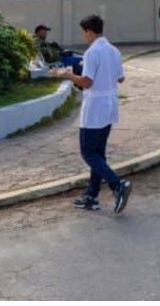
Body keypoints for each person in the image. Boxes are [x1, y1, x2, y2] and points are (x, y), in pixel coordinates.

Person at [51, 15, 133, 214]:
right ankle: (91, 196)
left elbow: (86, 82)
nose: (84, 36)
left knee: (88, 153)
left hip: (95, 106)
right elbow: (121, 78)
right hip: (109, 105)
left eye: (84, 32)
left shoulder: (92, 52)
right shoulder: (113, 50)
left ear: (89, 31)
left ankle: (117, 184)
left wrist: (67, 75)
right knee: (98, 154)